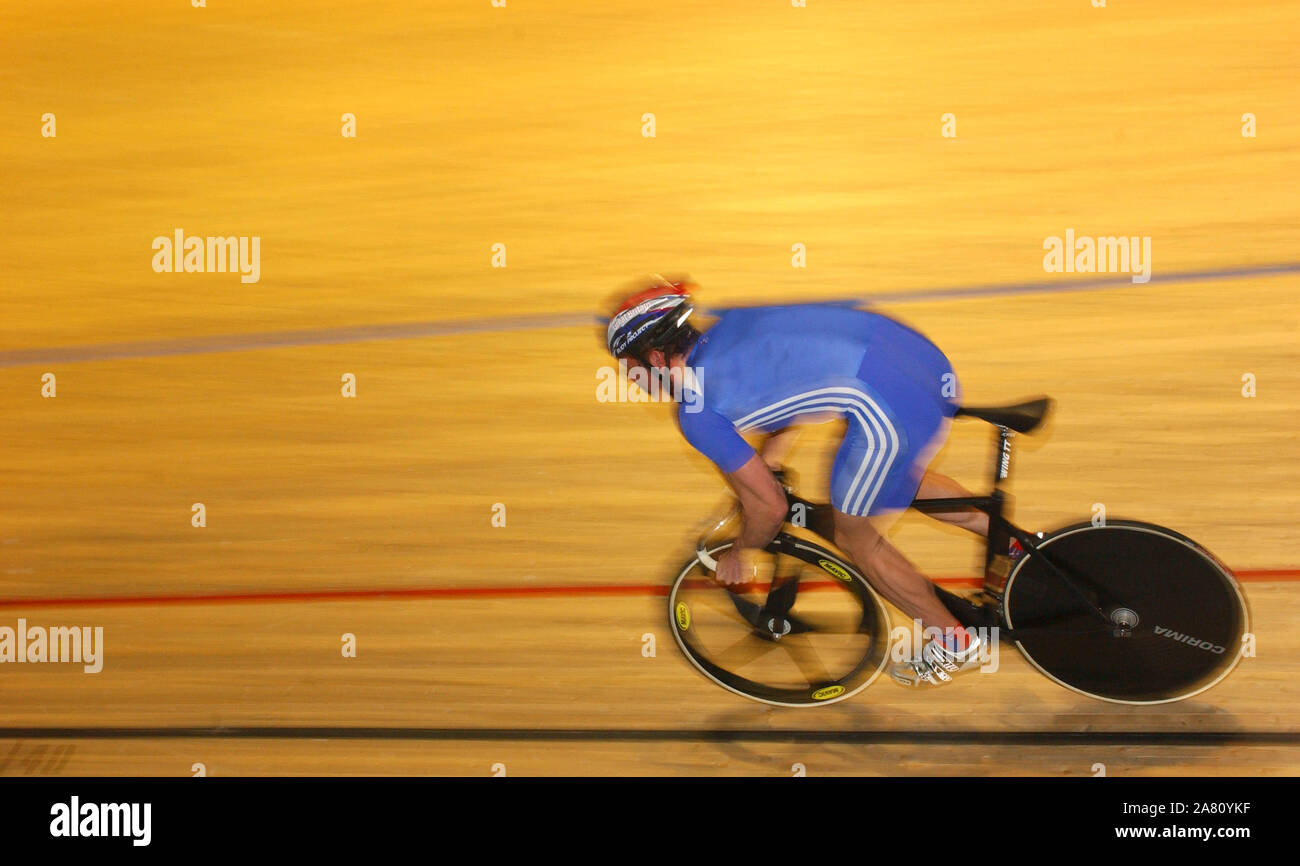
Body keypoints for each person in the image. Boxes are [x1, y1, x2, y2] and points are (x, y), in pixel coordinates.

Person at [605, 276, 995, 687]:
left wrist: (742, 551)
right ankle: (1010, 545)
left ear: (656, 357)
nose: (630, 380)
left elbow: (770, 508)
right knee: (880, 474)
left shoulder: (697, 413)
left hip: (889, 403)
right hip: (919, 359)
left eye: (630, 367)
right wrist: (767, 459)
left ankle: (955, 641)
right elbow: (783, 379)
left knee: (855, 536)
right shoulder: (731, 324)